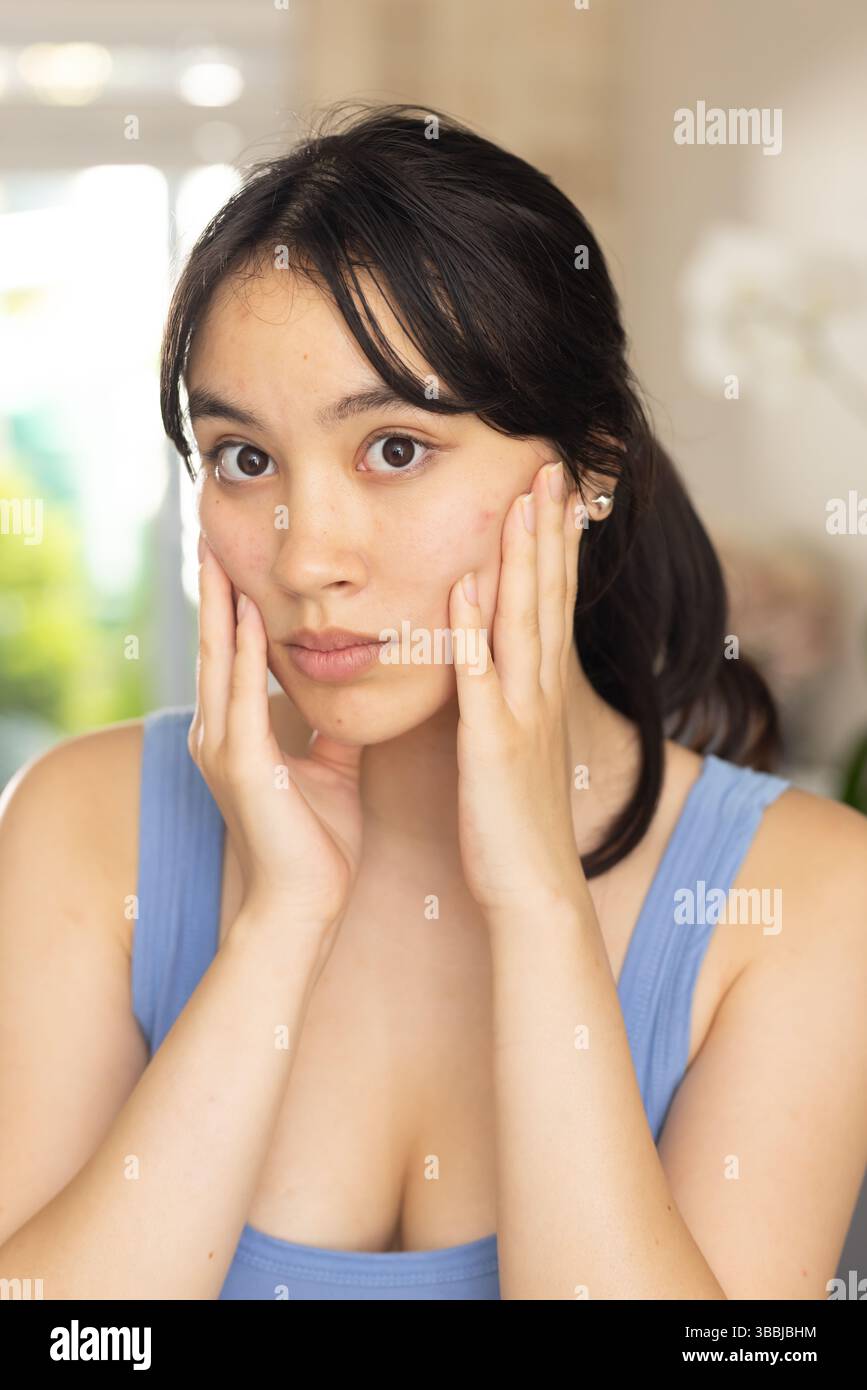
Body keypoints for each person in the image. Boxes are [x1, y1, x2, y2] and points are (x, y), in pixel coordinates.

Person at [1, 102, 865, 1302]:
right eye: (245, 459)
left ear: (593, 466)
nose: (307, 559)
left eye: (395, 448)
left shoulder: (810, 899)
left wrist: (539, 905)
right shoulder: (81, 826)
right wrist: (276, 927)